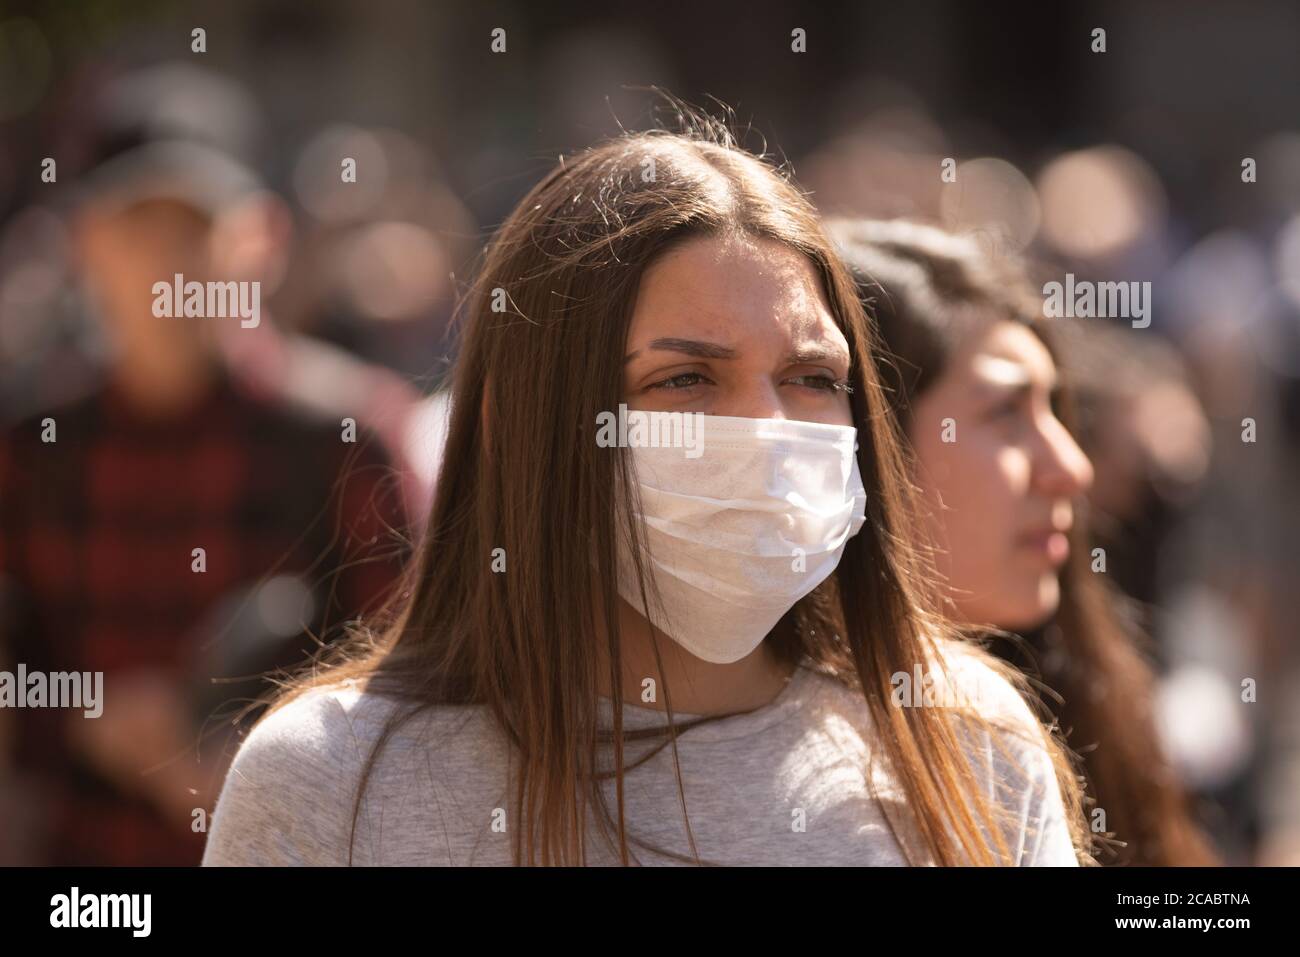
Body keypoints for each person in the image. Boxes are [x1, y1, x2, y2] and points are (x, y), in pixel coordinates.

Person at [202, 115, 1091, 867]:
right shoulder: (331, 784)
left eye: (813, 376)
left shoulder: (969, 744)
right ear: (544, 422)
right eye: (686, 380)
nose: (768, 430)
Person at [0, 62, 411, 865]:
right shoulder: (30, 446)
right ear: (84, 244)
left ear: (259, 239)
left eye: (192, 228)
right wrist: (91, 718)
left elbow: (419, 681)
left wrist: (264, 759)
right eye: (136, 228)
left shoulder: (347, 438)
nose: (167, 265)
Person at [829, 217, 1219, 865]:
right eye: (1006, 412)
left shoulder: (1074, 721)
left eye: (1055, 409)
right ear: (869, 446)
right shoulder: (787, 772)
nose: (1071, 467)